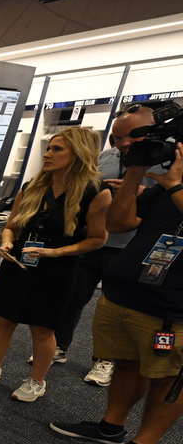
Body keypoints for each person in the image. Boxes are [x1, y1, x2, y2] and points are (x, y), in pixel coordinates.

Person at [50, 140, 183, 444]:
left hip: (170, 309)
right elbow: (120, 223)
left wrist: (176, 185)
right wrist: (136, 172)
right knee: (127, 364)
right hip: (123, 296)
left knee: (167, 378)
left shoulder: (175, 185)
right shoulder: (166, 188)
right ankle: (111, 428)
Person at [0, 127, 111, 402]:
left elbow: (97, 239)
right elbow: (12, 226)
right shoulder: (32, 186)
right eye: (48, 148)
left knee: (43, 328)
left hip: (57, 268)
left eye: (57, 149)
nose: (47, 154)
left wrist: (56, 253)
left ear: (78, 154)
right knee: (3, 320)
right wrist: (7, 242)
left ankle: (37, 380)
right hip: (18, 262)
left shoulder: (96, 192)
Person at [52, 105, 160, 386]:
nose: (123, 143)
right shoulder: (106, 157)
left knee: (112, 308)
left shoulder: (167, 160)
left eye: (131, 137)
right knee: (72, 298)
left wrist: (142, 193)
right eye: (118, 137)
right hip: (94, 241)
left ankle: (105, 362)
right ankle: (59, 346)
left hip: (131, 249)